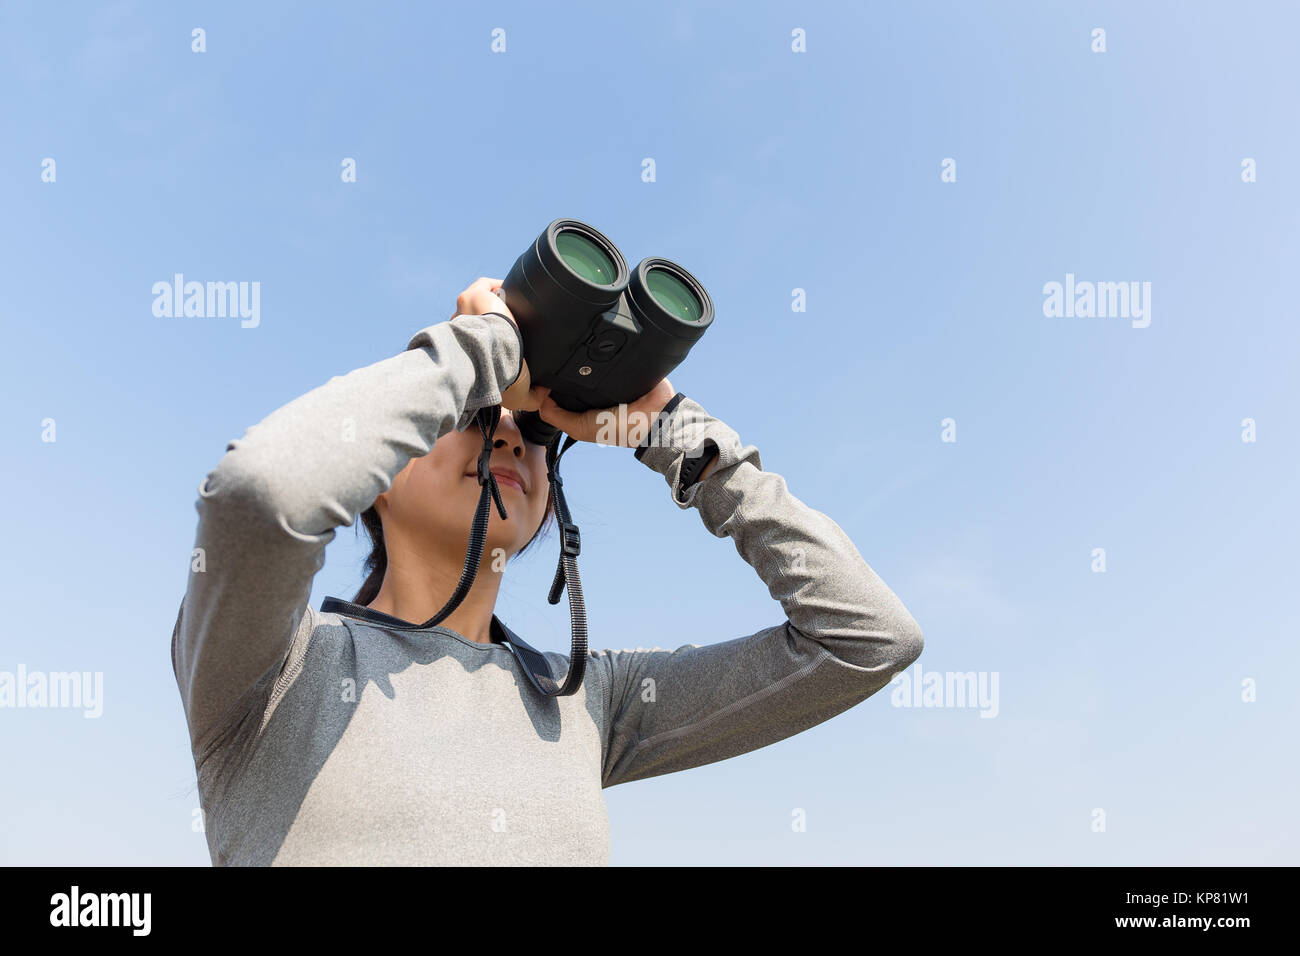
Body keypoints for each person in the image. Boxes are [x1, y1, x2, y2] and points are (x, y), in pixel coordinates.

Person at [171, 276, 924, 865]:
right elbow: (264, 495)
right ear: (380, 474)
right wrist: (480, 351)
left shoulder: (587, 700)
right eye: (470, 419)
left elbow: (867, 640)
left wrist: (672, 433)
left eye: (531, 431)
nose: (505, 438)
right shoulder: (276, 669)